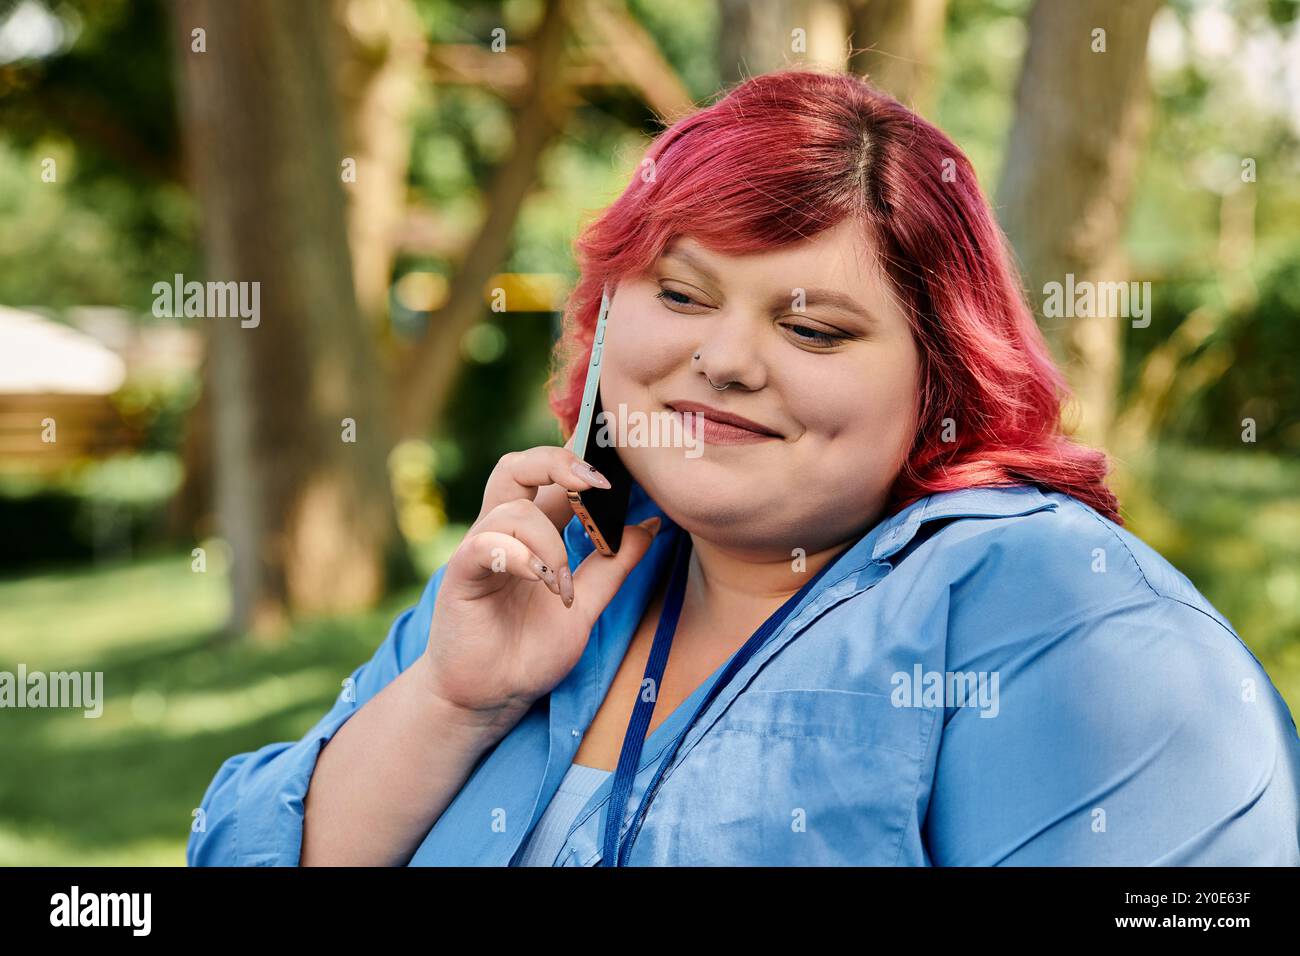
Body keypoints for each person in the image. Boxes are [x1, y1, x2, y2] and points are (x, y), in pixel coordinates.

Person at [188, 68, 1300, 867]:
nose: (719, 360)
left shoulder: (1070, 621)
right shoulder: (548, 558)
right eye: (679, 294)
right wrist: (450, 700)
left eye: (812, 328)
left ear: (942, 376)